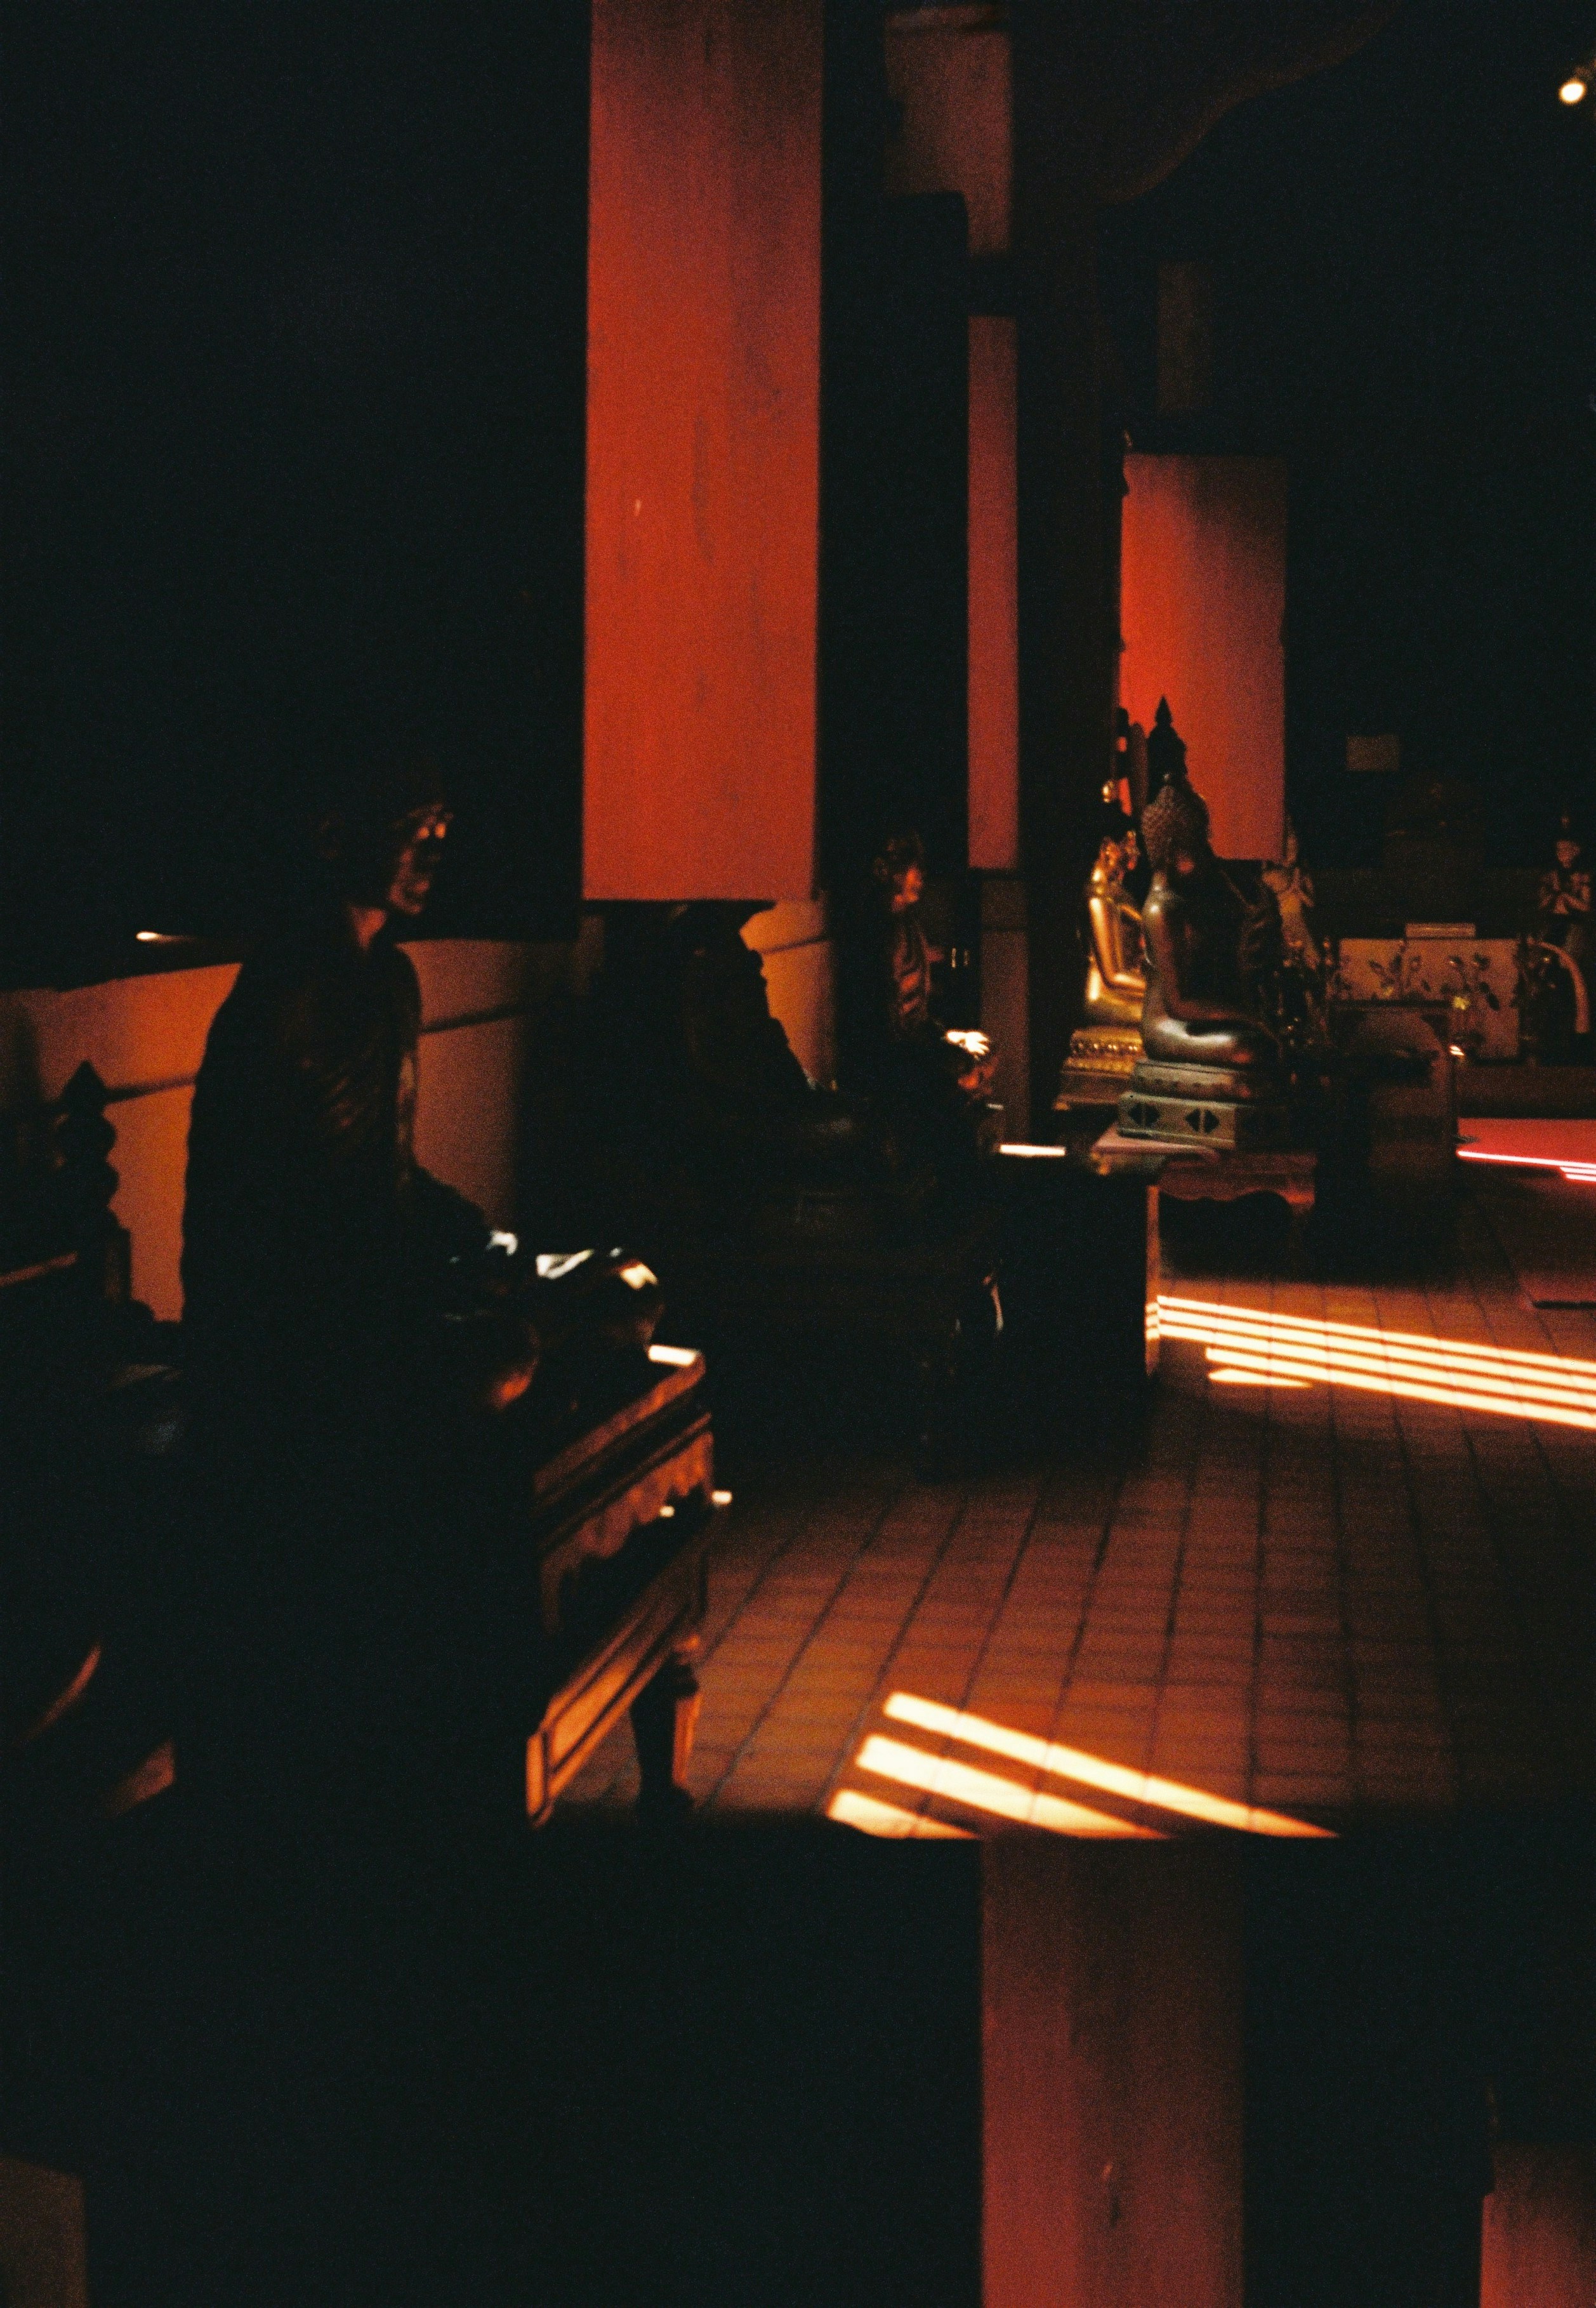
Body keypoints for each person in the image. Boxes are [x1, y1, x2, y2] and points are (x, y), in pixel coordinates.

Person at [1137, 761, 1281, 1076]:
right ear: (1173, 847)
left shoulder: (1193, 897)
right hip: (1168, 1023)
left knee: (1267, 1046)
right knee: (1249, 1050)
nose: (1207, 854)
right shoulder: (1161, 908)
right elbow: (1179, 1004)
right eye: (1199, 845)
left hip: (1197, 1019)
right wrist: (1248, 1016)